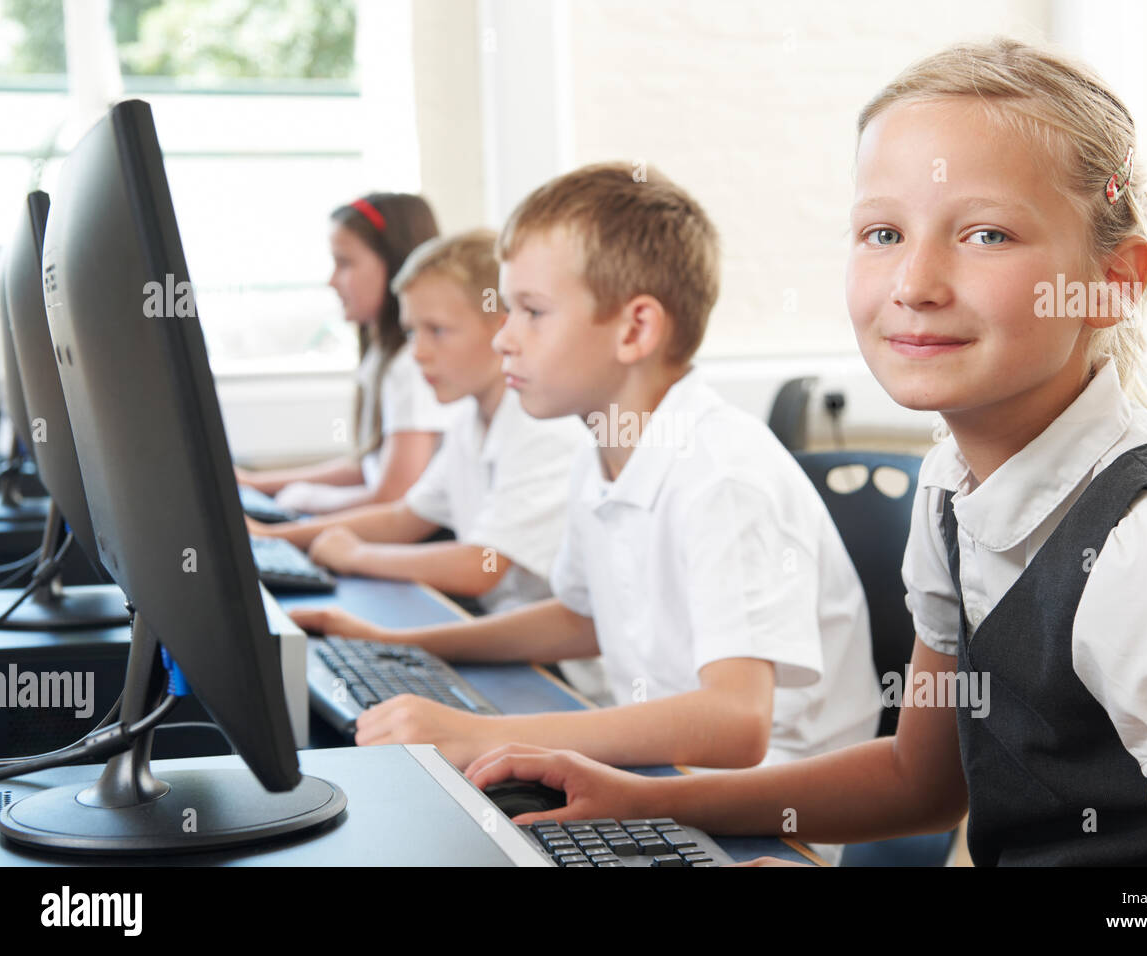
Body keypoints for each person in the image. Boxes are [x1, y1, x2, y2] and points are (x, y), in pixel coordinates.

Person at [461, 38, 1147, 867]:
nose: (915, 282)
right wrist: (645, 797)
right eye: (883, 231)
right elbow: (918, 781)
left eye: (988, 234)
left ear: (1114, 280)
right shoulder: (953, 487)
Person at [289, 165, 884, 797]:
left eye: (531, 312)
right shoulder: (600, 450)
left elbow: (737, 723)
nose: (504, 338)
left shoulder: (722, 476)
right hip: (667, 770)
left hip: (769, 803)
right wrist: (402, 642)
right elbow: (583, 617)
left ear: (634, 330)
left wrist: (485, 734)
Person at [255, 229, 603, 695]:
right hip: (510, 641)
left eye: (436, 330)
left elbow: (480, 567)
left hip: (564, 676)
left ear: (502, 327)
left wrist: (358, 555)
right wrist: (274, 540)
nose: (418, 352)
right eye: (413, 331)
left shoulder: (542, 428)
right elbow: (406, 517)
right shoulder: (470, 421)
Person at [236, 193, 450, 514]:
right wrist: (258, 483)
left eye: (345, 263)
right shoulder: (384, 356)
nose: (332, 281)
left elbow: (395, 494)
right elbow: (369, 466)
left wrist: (309, 501)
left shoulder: (413, 364)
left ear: (395, 265)